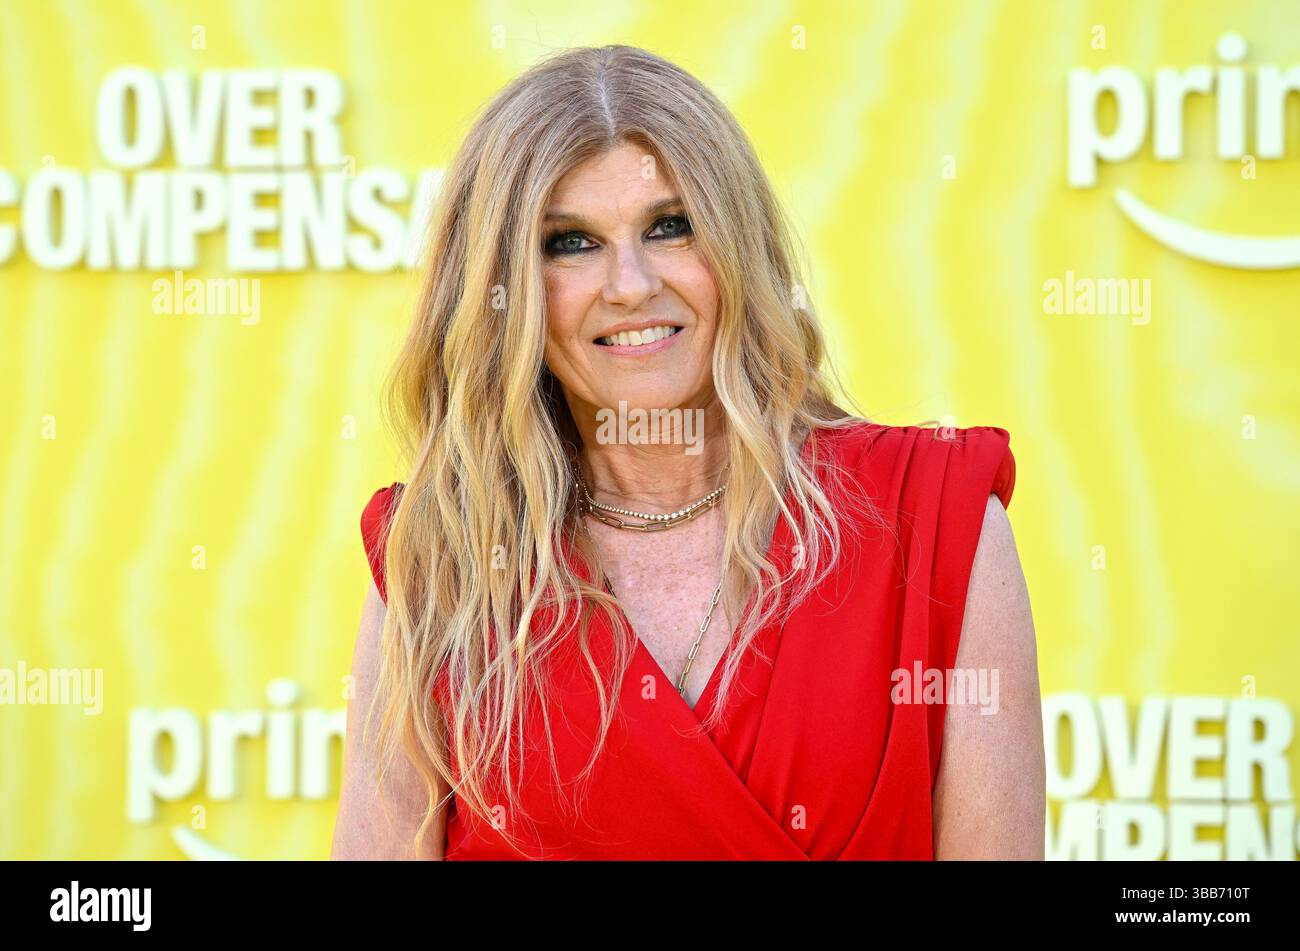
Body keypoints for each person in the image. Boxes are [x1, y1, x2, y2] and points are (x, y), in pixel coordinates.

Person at [331, 44, 1043, 861]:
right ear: (504, 289)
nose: (630, 284)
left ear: (737, 249)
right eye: (571, 243)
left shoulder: (934, 519)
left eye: (671, 227)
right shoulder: (444, 558)